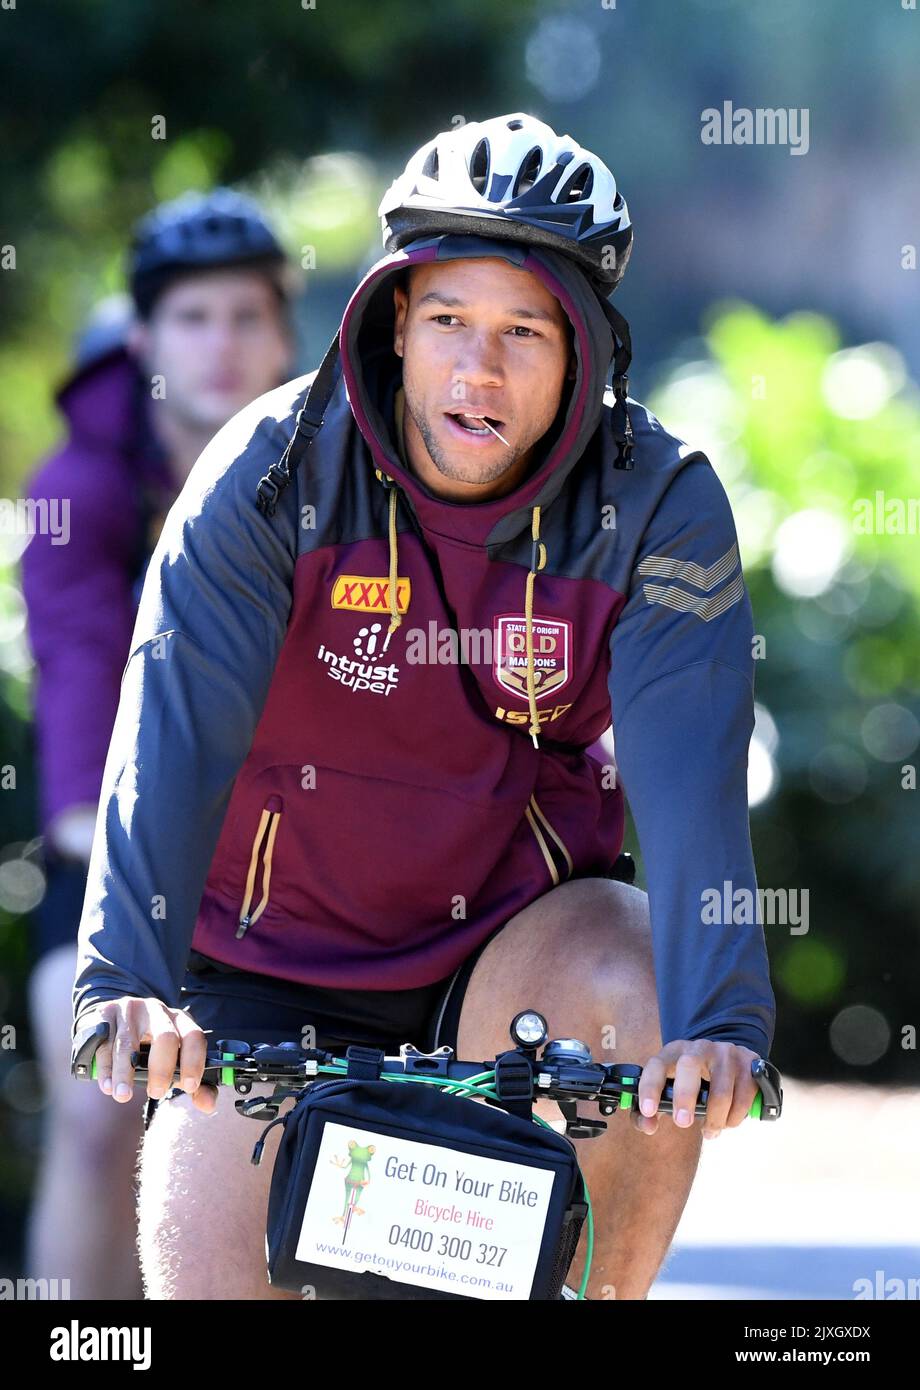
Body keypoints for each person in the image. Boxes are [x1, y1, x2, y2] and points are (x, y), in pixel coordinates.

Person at [71, 114, 776, 1301]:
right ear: (395, 324)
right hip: (264, 965)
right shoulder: (269, 470)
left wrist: (721, 1020)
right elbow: (171, 731)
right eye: (448, 320)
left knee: (634, 973)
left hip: (513, 962)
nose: (477, 372)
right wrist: (120, 978)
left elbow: (689, 778)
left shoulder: (660, 503)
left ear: (587, 354)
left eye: (522, 333)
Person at [21, 187, 296, 1299]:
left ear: (286, 333)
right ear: (143, 340)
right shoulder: (78, 494)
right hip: (111, 867)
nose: (221, 346)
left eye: (246, 315)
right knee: (100, 1108)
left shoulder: (339, 479)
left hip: (305, 872)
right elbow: (82, 684)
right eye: (193, 317)